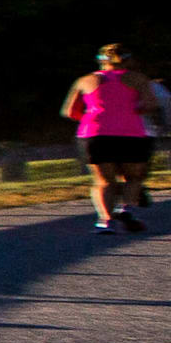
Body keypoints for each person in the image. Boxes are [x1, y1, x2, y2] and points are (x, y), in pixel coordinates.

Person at [62, 44, 156, 234]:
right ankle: (127, 209)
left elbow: (70, 111)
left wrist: (95, 118)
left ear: (101, 61)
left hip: (95, 134)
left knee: (103, 181)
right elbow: (150, 104)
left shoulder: (85, 80)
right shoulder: (138, 79)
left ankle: (105, 221)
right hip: (131, 133)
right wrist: (131, 111)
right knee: (134, 177)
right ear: (128, 60)